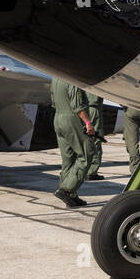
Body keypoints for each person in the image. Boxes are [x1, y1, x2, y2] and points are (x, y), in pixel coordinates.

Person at [50, 77, 95, 208]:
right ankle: (66, 189)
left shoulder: (55, 78)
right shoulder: (71, 78)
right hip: (71, 118)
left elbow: (53, 101)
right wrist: (88, 122)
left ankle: (71, 196)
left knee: (68, 159)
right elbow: (78, 106)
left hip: (58, 118)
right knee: (87, 153)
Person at [85, 91, 105, 181]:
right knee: (96, 140)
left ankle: (82, 169)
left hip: (83, 110)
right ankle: (92, 172)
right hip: (94, 109)